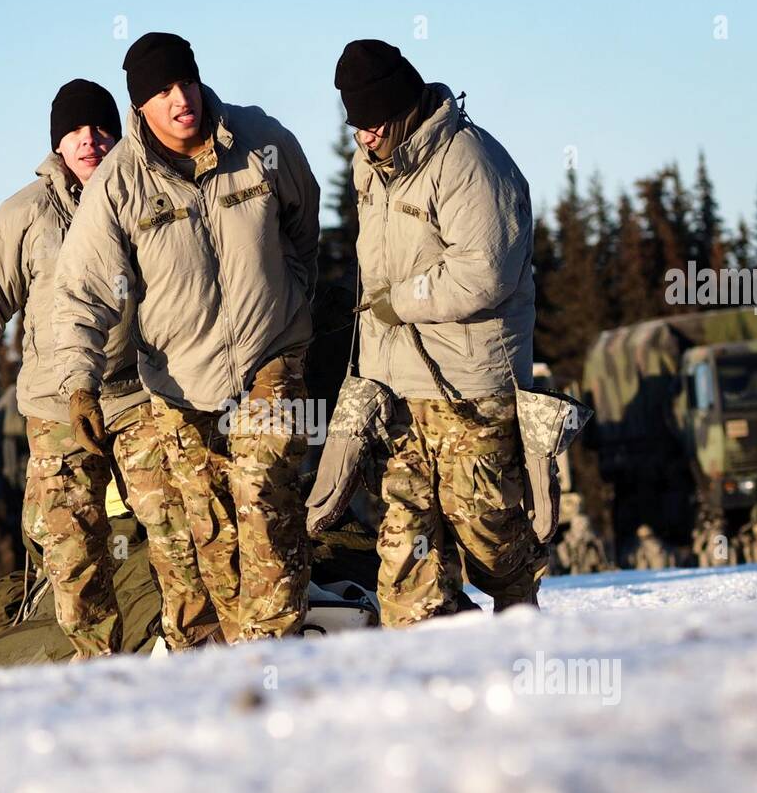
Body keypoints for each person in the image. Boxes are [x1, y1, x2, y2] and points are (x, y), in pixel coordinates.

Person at [43, 33, 321, 643]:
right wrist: (81, 384)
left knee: (262, 496)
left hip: (269, 355)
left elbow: (304, 222)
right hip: (178, 383)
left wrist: (293, 296)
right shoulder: (118, 185)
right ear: (140, 106)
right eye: (162, 91)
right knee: (211, 536)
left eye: (186, 82)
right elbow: (82, 292)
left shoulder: (260, 141)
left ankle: (276, 657)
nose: (180, 99)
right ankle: (228, 670)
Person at [0, 79, 213, 658]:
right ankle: (95, 668)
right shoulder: (25, 216)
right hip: (57, 408)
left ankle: (195, 656)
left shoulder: (146, 195)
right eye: (76, 131)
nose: (90, 141)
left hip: (140, 397)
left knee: (176, 528)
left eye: (102, 129)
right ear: (57, 143)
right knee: (72, 549)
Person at [334, 38, 547, 626]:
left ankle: (519, 632)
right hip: (398, 390)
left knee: (491, 540)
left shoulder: (471, 162)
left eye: (375, 122)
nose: (366, 135)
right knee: (405, 552)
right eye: (356, 125)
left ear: (403, 105)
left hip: (468, 388)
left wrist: (400, 302)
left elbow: (485, 272)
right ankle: (433, 668)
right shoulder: (370, 167)